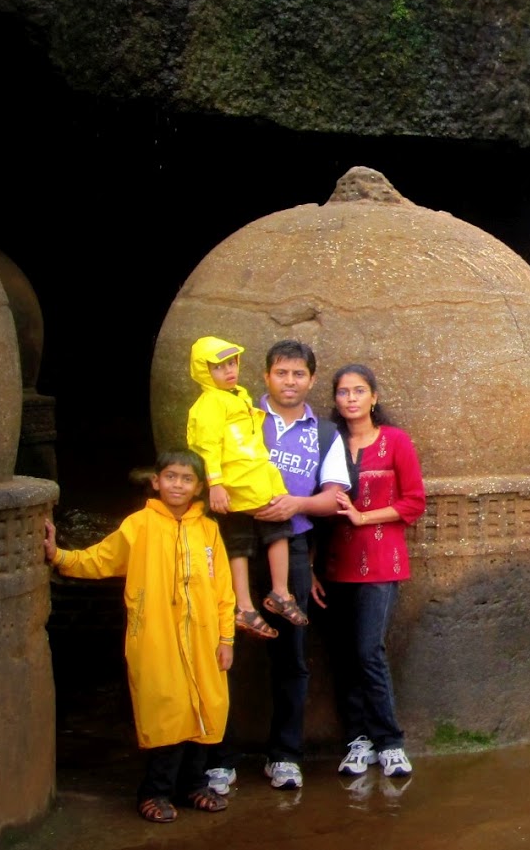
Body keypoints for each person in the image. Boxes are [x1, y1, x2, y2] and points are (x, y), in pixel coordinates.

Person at [41, 451, 234, 823]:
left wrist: (226, 639)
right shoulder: (139, 525)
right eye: (171, 477)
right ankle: (155, 791)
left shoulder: (208, 530)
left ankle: (193, 784)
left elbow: (223, 589)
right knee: (165, 710)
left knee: (206, 707)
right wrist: (60, 557)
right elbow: (101, 559)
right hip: (156, 637)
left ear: (199, 487)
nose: (178, 484)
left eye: (186, 479)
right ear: (156, 482)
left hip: (204, 638)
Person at [206, 340, 351, 793]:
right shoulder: (241, 416)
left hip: (293, 549)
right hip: (234, 546)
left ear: (311, 379)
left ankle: (285, 755)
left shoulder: (326, 432)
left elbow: (335, 497)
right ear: (265, 376)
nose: (290, 381)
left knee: (292, 654)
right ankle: (218, 757)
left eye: (298, 374)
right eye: (281, 373)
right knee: (222, 650)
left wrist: (296, 503)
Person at [312, 364, 426, 779]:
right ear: (336, 400)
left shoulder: (394, 441)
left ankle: (390, 742)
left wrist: (364, 517)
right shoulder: (329, 441)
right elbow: (312, 509)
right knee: (343, 655)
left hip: (381, 563)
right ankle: (358, 740)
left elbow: (414, 501)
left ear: (374, 397)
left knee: (368, 651)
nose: (352, 399)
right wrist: (309, 567)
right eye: (343, 392)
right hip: (335, 562)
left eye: (359, 391)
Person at [185, 336, 305, 640]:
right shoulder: (210, 403)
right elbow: (207, 447)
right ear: (203, 371)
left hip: (255, 474)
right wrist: (215, 484)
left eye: (231, 362)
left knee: (257, 531)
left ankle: (262, 600)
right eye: (218, 367)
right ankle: (262, 600)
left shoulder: (236, 395)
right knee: (259, 530)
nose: (229, 370)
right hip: (239, 480)